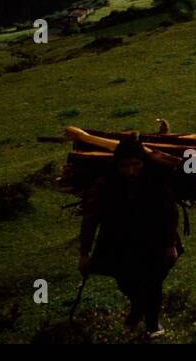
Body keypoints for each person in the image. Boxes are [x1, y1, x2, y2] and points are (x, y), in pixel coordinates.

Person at [78, 133, 182, 338]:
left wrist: (170, 245)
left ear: (143, 162)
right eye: (125, 166)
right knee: (126, 282)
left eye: (136, 164)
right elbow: (91, 219)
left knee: (153, 280)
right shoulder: (105, 184)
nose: (131, 171)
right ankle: (137, 310)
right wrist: (84, 253)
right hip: (119, 242)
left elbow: (170, 212)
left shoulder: (156, 181)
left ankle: (152, 324)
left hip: (155, 239)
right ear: (117, 165)